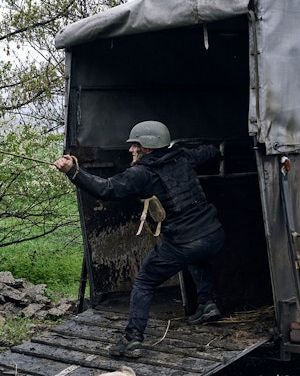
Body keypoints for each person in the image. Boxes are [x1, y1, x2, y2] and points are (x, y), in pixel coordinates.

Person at [53, 120, 225, 358]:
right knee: (197, 254)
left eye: (135, 145)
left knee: (144, 281)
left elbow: (106, 189)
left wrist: (73, 172)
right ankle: (207, 303)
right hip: (213, 234)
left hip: (185, 241)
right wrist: (214, 148)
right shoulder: (184, 157)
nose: (131, 150)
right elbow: (210, 151)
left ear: (148, 148)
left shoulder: (141, 173)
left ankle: (132, 339)